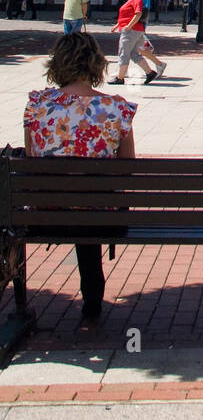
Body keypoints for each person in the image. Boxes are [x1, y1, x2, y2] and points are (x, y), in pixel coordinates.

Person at [24, 32, 137, 323]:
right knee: (90, 205)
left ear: (57, 65)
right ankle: (93, 299)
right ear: (96, 64)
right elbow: (128, 169)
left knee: (74, 201)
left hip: (46, 215)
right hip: (102, 217)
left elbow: (32, 158)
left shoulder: (37, 105)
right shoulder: (116, 108)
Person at [109, 0, 162, 84]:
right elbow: (127, 15)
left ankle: (120, 77)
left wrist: (128, 26)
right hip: (135, 30)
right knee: (134, 54)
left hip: (131, 31)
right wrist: (117, 26)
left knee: (124, 53)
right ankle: (149, 73)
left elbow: (138, 13)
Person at [137, 0, 167, 75]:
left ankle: (157, 65)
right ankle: (157, 65)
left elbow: (140, 9)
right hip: (136, 25)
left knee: (134, 49)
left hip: (136, 25)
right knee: (131, 50)